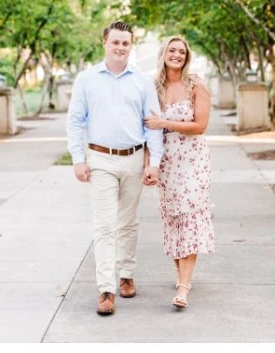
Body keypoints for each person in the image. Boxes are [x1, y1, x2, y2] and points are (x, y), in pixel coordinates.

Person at [65, 20, 163, 316]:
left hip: (133, 159)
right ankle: (106, 289)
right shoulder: (87, 79)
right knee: (104, 225)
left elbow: (152, 126)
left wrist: (154, 163)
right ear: (105, 43)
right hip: (100, 160)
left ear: (130, 46)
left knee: (128, 223)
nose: (120, 47)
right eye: (116, 42)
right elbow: (75, 121)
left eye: (125, 43)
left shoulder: (143, 81)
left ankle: (127, 274)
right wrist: (77, 158)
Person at [144, 35, 214, 309]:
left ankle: (183, 288)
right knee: (172, 218)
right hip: (166, 162)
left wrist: (165, 122)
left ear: (187, 56)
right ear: (163, 54)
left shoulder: (196, 84)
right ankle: (180, 274)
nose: (176, 55)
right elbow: (149, 131)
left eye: (181, 52)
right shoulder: (154, 88)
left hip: (193, 162)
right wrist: (149, 165)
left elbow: (200, 125)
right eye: (172, 50)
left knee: (190, 218)